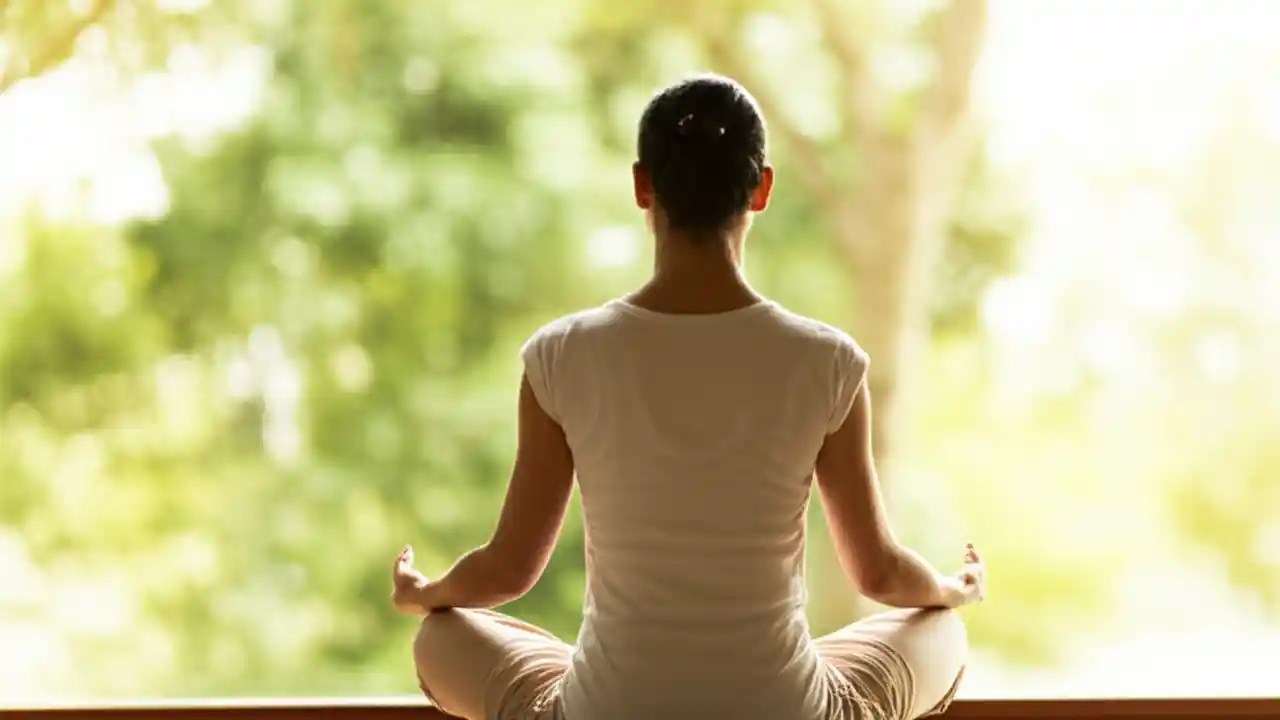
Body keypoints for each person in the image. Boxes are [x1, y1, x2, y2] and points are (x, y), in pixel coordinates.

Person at [391, 73, 987, 720]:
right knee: (940, 629)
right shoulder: (827, 361)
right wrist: (952, 589)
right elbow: (878, 574)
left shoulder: (560, 355)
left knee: (440, 635)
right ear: (762, 189)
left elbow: (509, 570)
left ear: (643, 185)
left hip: (607, 710)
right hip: (785, 709)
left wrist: (428, 592)